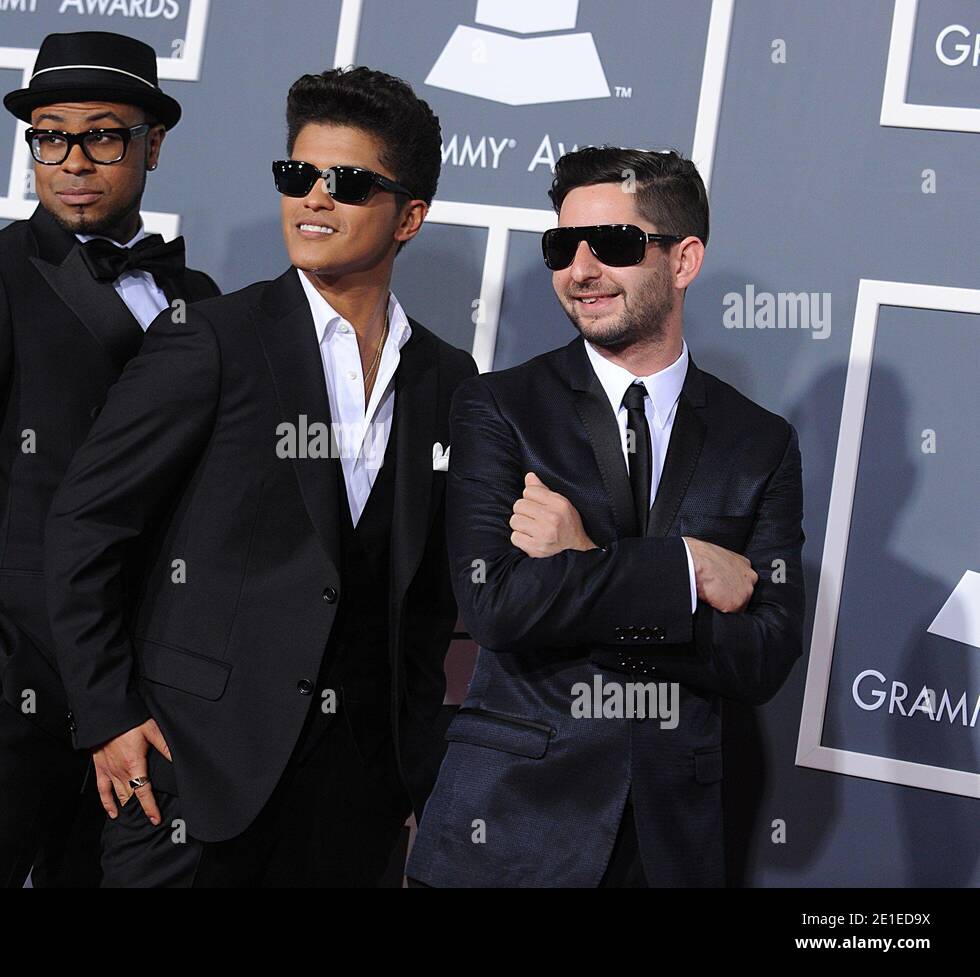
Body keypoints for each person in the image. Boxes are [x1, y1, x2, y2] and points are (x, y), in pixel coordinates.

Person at [44, 66, 477, 886]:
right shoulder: (212, 340)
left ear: (409, 217)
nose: (313, 198)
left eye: (347, 183)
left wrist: (409, 753)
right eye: (297, 175)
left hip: (355, 796)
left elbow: (427, 599)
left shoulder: (449, 379)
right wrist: (108, 715)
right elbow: (84, 525)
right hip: (188, 777)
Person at [0, 30, 219, 887]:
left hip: (139, 702)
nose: (72, 160)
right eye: (49, 135)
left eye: (102, 134)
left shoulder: (200, 302)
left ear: (153, 144)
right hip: (2, 694)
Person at [407, 147, 805, 888]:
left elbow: (765, 655)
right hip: (507, 831)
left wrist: (583, 556)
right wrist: (683, 569)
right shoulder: (498, 409)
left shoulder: (760, 443)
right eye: (563, 246)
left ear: (683, 260)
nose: (580, 270)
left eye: (615, 245)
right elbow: (498, 605)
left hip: (669, 844)